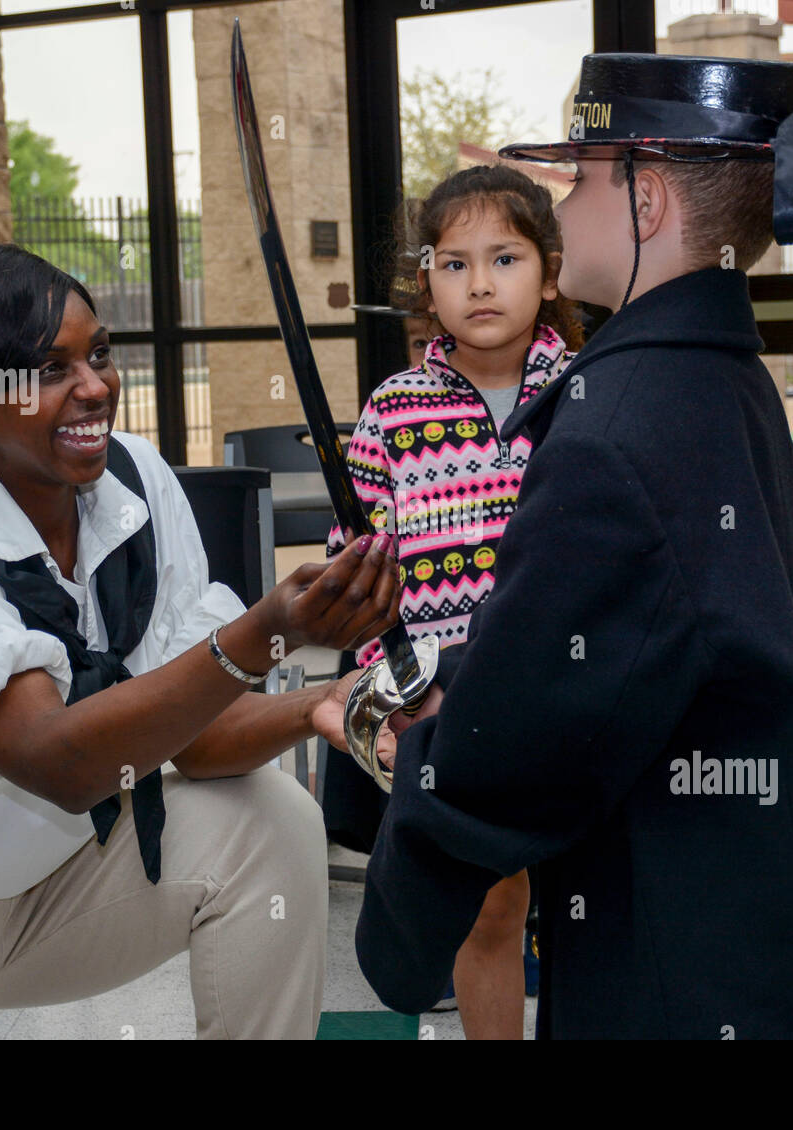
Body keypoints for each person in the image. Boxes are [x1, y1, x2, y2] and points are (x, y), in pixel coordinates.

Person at [352, 53, 793, 1038]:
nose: (563, 202)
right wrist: (473, 667)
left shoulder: (617, 426)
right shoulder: (722, 380)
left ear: (644, 200)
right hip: (752, 926)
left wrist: (402, 915)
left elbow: (508, 749)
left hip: (677, 977)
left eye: (582, 175)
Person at [0, 243, 401, 1040]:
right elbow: (61, 764)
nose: (97, 388)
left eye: (100, 355)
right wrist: (265, 633)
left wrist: (333, 700)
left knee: (272, 816)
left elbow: (194, 740)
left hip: (58, 888)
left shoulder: (135, 480)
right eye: (49, 369)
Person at [326, 164, 580, 1038]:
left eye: (505, 258)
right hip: (452, 704)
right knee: (491, 907)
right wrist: (400, 688)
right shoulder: (392, 414)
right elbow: (357, 578)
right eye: (453, 262)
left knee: (598, 905)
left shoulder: (593, 393)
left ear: (550, 274)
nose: (479, 282)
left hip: (577, 694)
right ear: (426, 283)